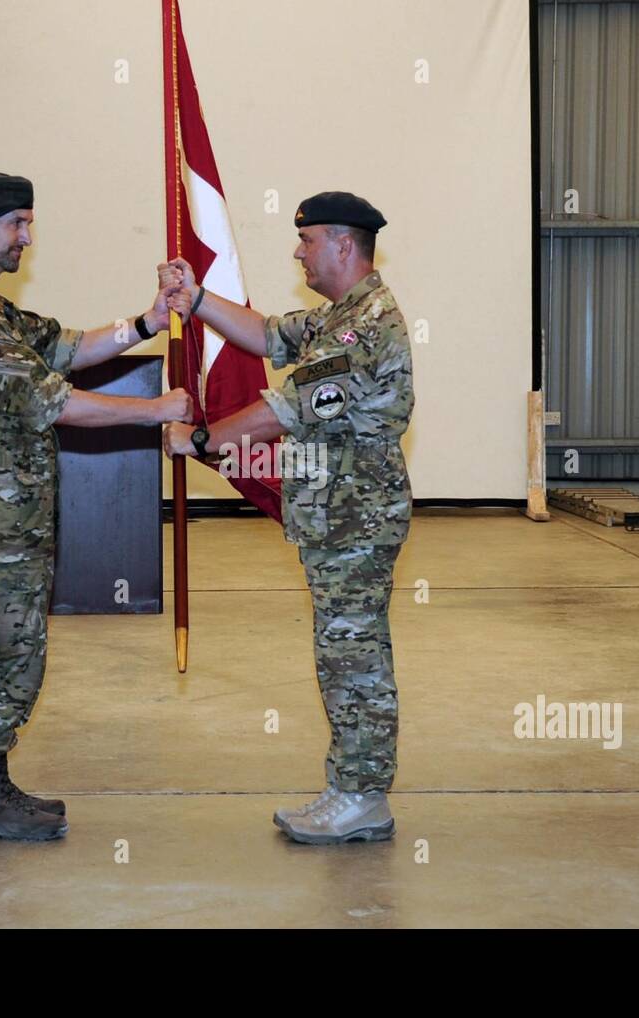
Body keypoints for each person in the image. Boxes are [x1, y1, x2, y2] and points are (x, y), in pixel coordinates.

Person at [0, 172, 192, 841]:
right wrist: (153, 412)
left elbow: (68, 348)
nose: (27, 236)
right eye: (17, 223)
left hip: (14, 513)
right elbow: (57, 401)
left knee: (16, 643)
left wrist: (147, 321)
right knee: (4, 646)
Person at [161, 191, 413, 845]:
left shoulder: (365, 329)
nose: (297, 252)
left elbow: (284, 408)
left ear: (341, 244)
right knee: (344, 653)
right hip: (338, 520)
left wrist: (201, 438)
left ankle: (360, 796)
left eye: (306, 241)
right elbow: (269, 334)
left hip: (355, 523)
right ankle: (354, 789)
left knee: (353, 658)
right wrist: (198, 299)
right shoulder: (338, 319)